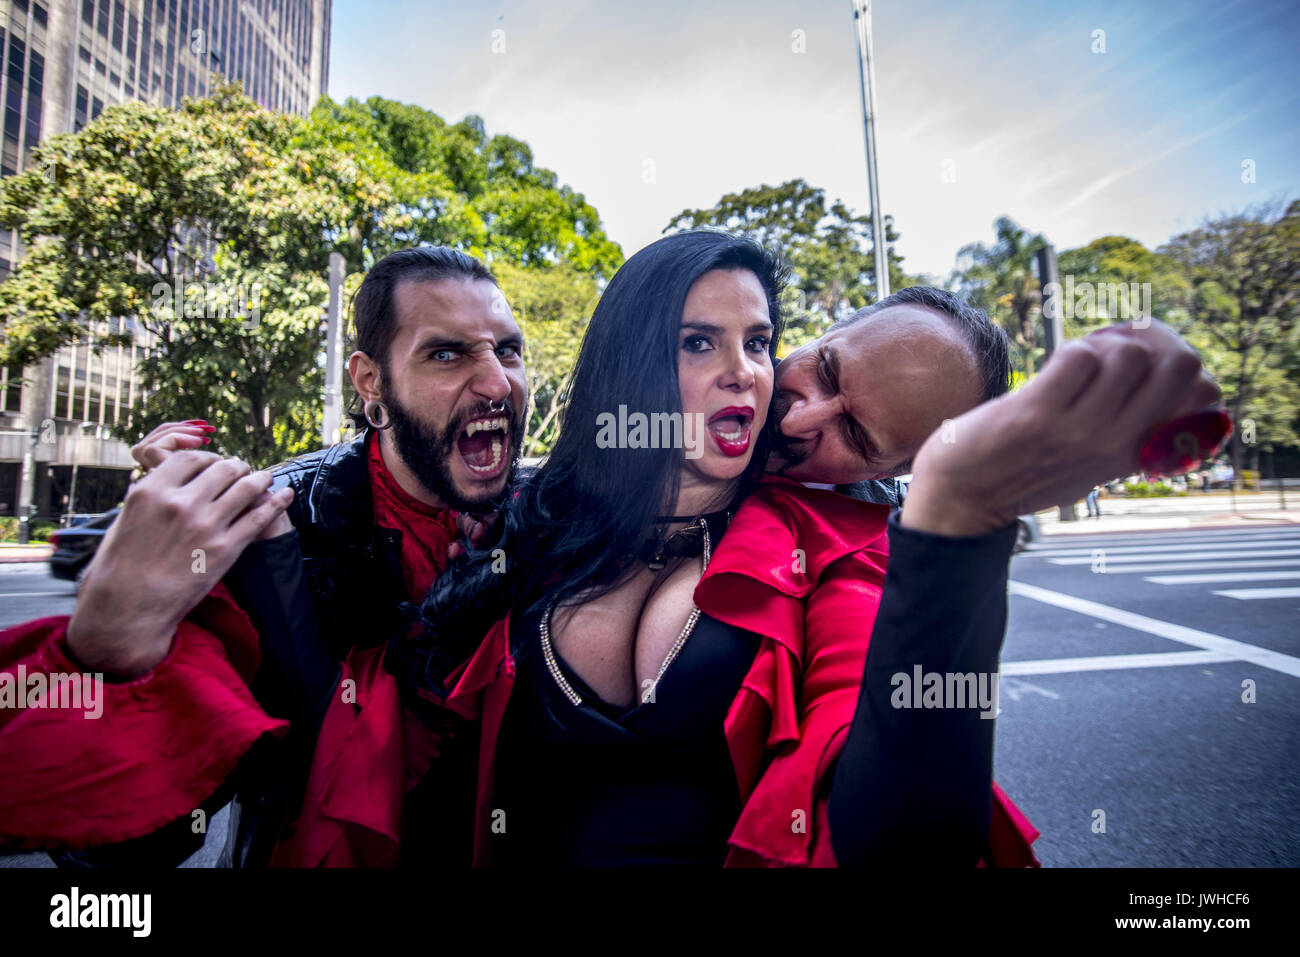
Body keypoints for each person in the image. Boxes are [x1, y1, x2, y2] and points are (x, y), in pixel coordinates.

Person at [0, 234, 1219, 866]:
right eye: (710, 342)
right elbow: (120, 805)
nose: (782, 406)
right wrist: (116, 636)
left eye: (860, 439)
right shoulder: (504, 522)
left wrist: (958, 523)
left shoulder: (840, 559)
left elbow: (904, 833)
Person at [0, 245, 529, 867]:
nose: (497, 383)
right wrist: (114, 652)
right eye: (447, 353)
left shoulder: (552, 521)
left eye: (508, 350)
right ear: (370, 382)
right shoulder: (273, 528)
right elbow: (127, 853)